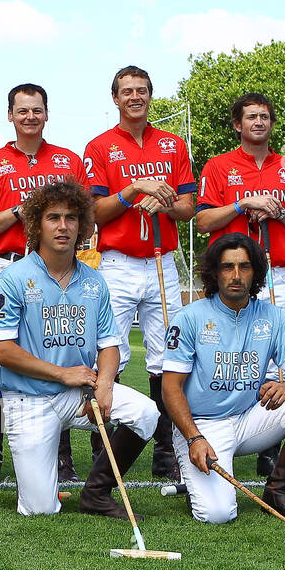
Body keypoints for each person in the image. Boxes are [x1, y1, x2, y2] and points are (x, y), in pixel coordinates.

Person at [0, 179, 157, 516]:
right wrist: (62, 373)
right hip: (29, 398)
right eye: (53, 218)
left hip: (79, 395)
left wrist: (106, 384)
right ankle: (34, 478)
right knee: (40, 510)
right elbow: (1, 351)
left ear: (83, 226)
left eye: (71, 218)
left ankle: (97, 493)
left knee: (146, 412)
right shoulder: (15, 277)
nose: (63, 226)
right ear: (37, 224)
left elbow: (110, 345)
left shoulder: (94, 281)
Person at [162, 233, 285, 524]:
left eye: (244, 266)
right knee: (217, 514)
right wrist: (194, 437)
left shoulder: (272, 316)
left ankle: (278, 490)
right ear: (214, 273)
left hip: (249, 419)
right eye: (227, 267)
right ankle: (195, 479)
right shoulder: (189, 317)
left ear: (255, 272)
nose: (236, 275)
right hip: (202, 426)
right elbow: (170, 389)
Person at [0, 83, 85, 483]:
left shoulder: (69, 160)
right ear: (11, 115)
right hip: (8, 266)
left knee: (60, 354)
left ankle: (61, 455)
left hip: (58, 268)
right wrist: (19, 212)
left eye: (37, 110)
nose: (30, 117)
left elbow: (87, 219)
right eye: (22, 111)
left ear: (47, 114)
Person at [83, 65, 196, 481]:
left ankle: (166, 450)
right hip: (118, 262)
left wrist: (164, 202)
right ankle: (107, 448)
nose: (135, 97)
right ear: (115, 98)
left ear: (150, 96)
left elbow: (189, 208)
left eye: (142, 90)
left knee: (167, 355)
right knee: (109, 353)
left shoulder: (172, 145)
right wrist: (132, 191)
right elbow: (93, 214)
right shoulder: (99, 147)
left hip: (163, 261)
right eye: (127, 91)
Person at [194, 92, 285, 476]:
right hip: (234, 273)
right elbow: (203, 222)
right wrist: (242, 205)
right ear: (237, 124)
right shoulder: (218, 166)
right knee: (233, 353)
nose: (258, 122)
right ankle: (217, 428)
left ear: (271, 122)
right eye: (251, 117)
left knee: (280, 358)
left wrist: (280, 213)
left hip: (278, 269)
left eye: (265, 116)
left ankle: (269, 443)